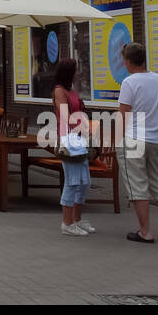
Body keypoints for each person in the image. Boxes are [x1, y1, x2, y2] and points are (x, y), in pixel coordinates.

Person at [118, 43, 158, 244]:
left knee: (138, 185)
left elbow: (124, 114)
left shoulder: (129, 82)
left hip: (134, 139)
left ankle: (145, 231)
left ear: (128, 61)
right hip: (155, 138)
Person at [52, 60, 92, 236]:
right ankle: (66, 223)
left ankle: (77, 219)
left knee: (84, 181)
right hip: (69, 139)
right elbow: (65, 116)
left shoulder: (72, 90)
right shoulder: (59, 91)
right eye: (77, 70)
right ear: (69, 72)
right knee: (72, 181)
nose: (79, 73)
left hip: (79, 138)